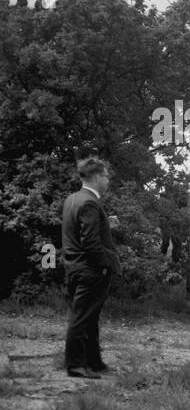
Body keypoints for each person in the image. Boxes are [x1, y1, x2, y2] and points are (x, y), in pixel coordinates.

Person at [61, 156, 121, 379]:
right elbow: (90, 243)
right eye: (106, 176)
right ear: (96, 177)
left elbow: (79, 233)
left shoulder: (73, 199)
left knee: (90, 316)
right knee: (81, 317)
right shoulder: (90, 202)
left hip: (75, 267)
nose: (108, 181)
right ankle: (75, 365)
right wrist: (106, 265)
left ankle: (94, 362)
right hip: (89, 270)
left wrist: (107, 223)